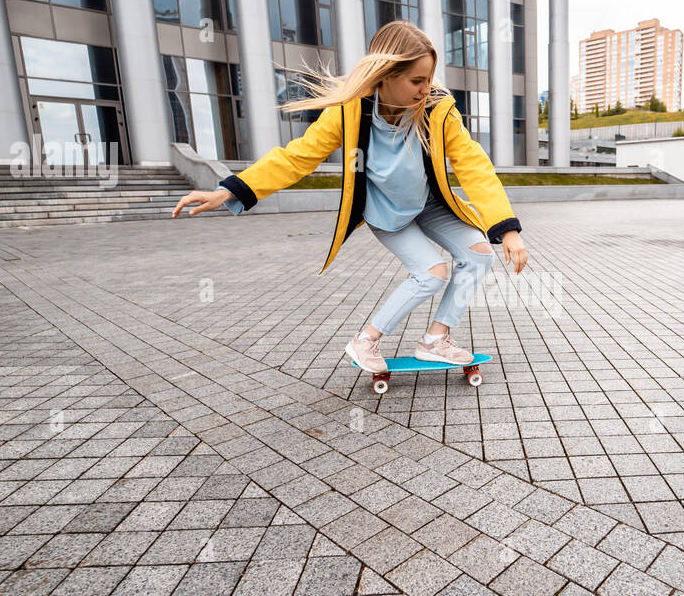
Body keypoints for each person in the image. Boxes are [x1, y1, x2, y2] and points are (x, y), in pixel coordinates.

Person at [172, 20, 528, 373]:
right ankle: (366, 340)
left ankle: (435, 341)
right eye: (417, 81)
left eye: (429, 79)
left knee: (479, 255)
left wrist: (506, 229)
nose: (426, 90)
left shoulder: (437, 110)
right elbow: (298, 157)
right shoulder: (350, 112)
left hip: (429, 205)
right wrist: (228, 190)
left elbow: (474, 166)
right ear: (387, 74)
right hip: (387, 213)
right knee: (432, 273)